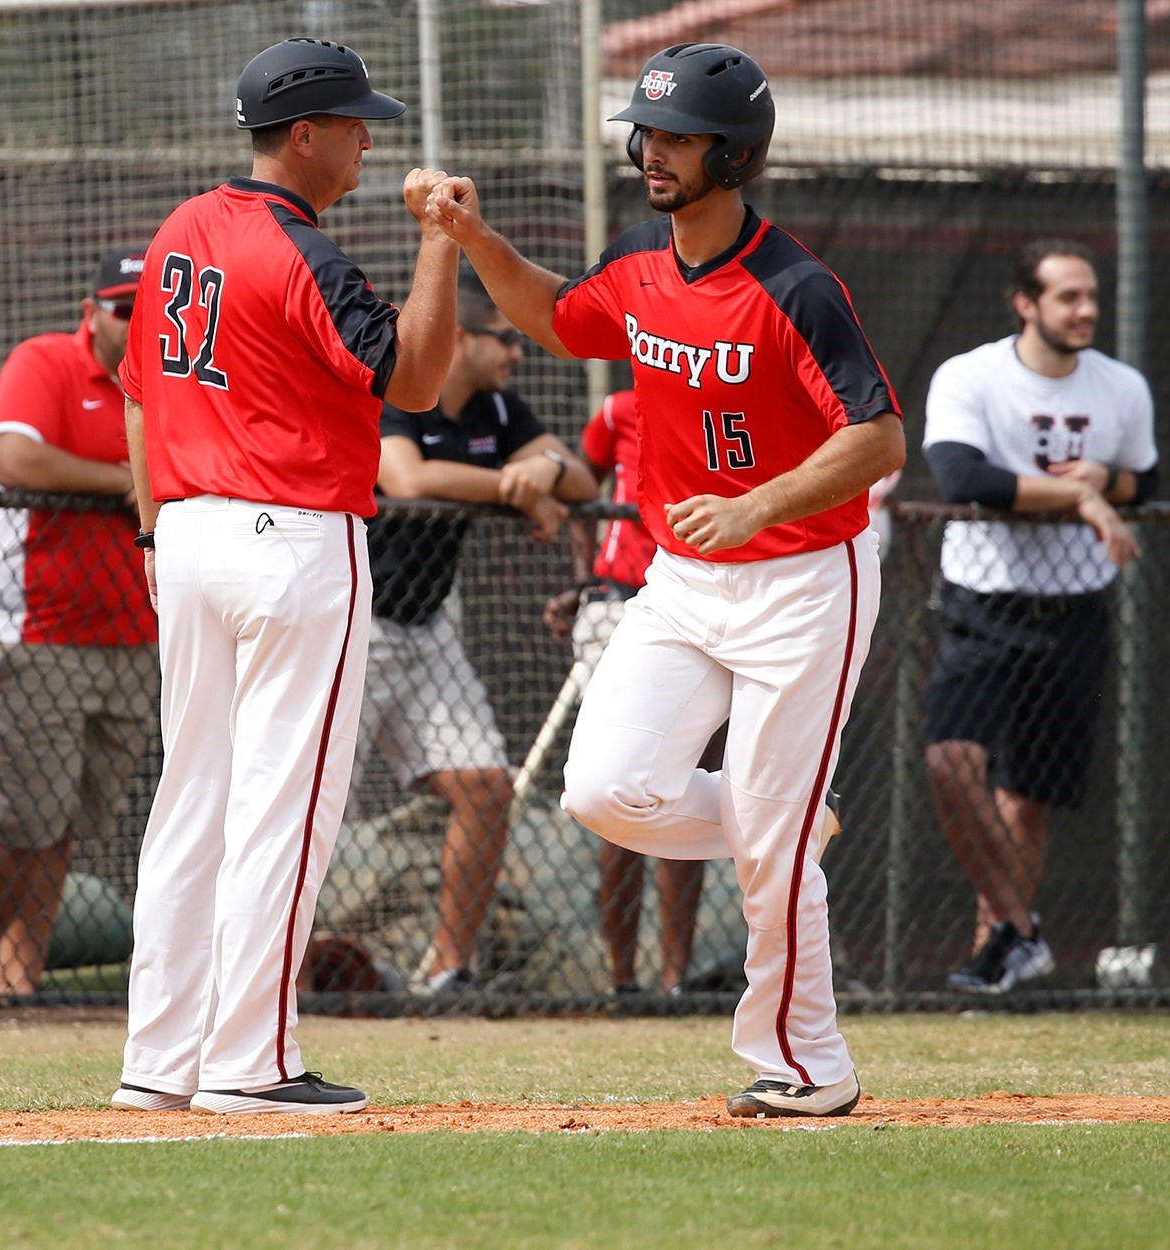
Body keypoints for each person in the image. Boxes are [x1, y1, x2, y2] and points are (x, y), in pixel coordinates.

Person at [428, 42, 903, 1118]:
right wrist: (474, 240)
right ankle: (781, 820)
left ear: (733, 153)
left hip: (800, 581)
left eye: (678, 136)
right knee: (603, 788)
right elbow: (560, 315)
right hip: (685, 580)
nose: (651, 151)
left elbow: (876, 440)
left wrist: (757, 502)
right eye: (648, 132)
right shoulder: (640, 258)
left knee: (771, 843)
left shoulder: (796, 285)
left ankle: (807, 1063)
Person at [111, 37, 460, 1117]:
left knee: (192, 803)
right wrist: (441, 241)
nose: (367, 139)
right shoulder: (302, 252)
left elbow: (136, 390)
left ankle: (157, 1062)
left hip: (188, 536)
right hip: (292, 538)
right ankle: (251, 1062)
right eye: (353, 123)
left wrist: (152, 535)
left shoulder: (182, 228)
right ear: (300, 135)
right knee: (284, 806)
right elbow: (419, 376)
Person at [920, 238, 1158, 995]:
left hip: (1075, 611)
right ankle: (1023, 932)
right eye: (1068, 297)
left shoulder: (1121, 387)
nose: (1086, 310)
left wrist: (1107, 480)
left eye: (1091, 296)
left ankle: (1000, 951)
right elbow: (964, 477)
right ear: (1026, 304)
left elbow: (1145, 482)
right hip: (983, 603)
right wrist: (1081, 496)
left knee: (1026, 798)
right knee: (951, 766)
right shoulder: (971, 376)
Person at [363, 274, 598, 995]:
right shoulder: (399, 391)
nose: (515, 352)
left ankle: (448, 969)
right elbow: (404, 478)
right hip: (349, 624)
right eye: (503, 336)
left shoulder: (497, 406)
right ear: (459, 338)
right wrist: (508, 486)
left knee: (488, 787)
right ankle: (272, 975)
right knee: (306, 811)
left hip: (426, 628)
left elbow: (582, 482)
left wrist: (544, 470)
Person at [0, 247, 158, 1003]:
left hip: (135, 640)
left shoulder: (170, 378)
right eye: (122, 310)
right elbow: (16, 459)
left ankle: (20, 980)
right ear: (92, 314)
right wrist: (124, 482)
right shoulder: (46, 362)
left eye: (147, 310)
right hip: (32, 637)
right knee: (29, 817)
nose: (136, 324)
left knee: (68, 824)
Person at [541, 390, 709, 998]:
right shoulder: (617, 409)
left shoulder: (717, 394)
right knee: (614, 788)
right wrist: (586, 578)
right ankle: (622, 982)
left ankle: (675, 982)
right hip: (617, 605)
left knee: (684, 787)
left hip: (699, 602)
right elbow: (583, 487)